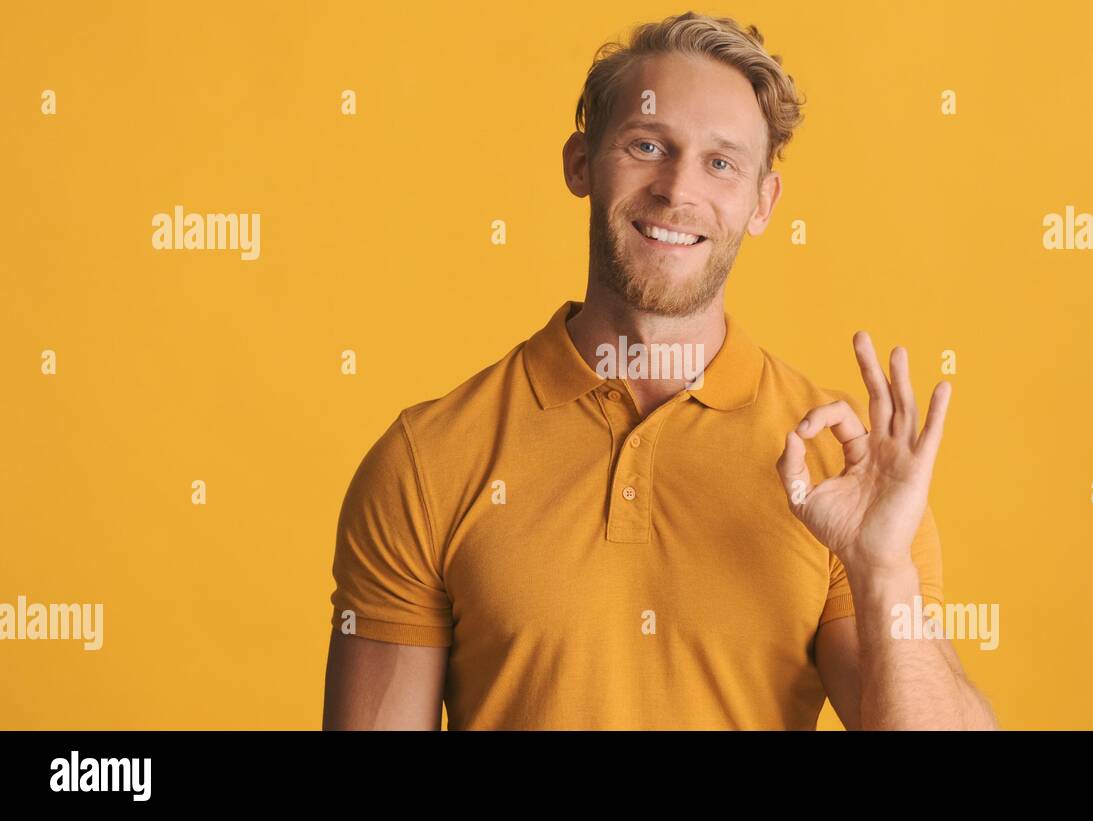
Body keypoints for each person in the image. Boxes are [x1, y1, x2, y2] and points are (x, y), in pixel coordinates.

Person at [323, 10, 996, 730]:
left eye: (721, 162)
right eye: (648, 145)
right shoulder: (427, 460)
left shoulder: (839, 466)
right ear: (581, 163)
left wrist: (884, 573)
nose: (678, 190)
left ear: (763, 203)